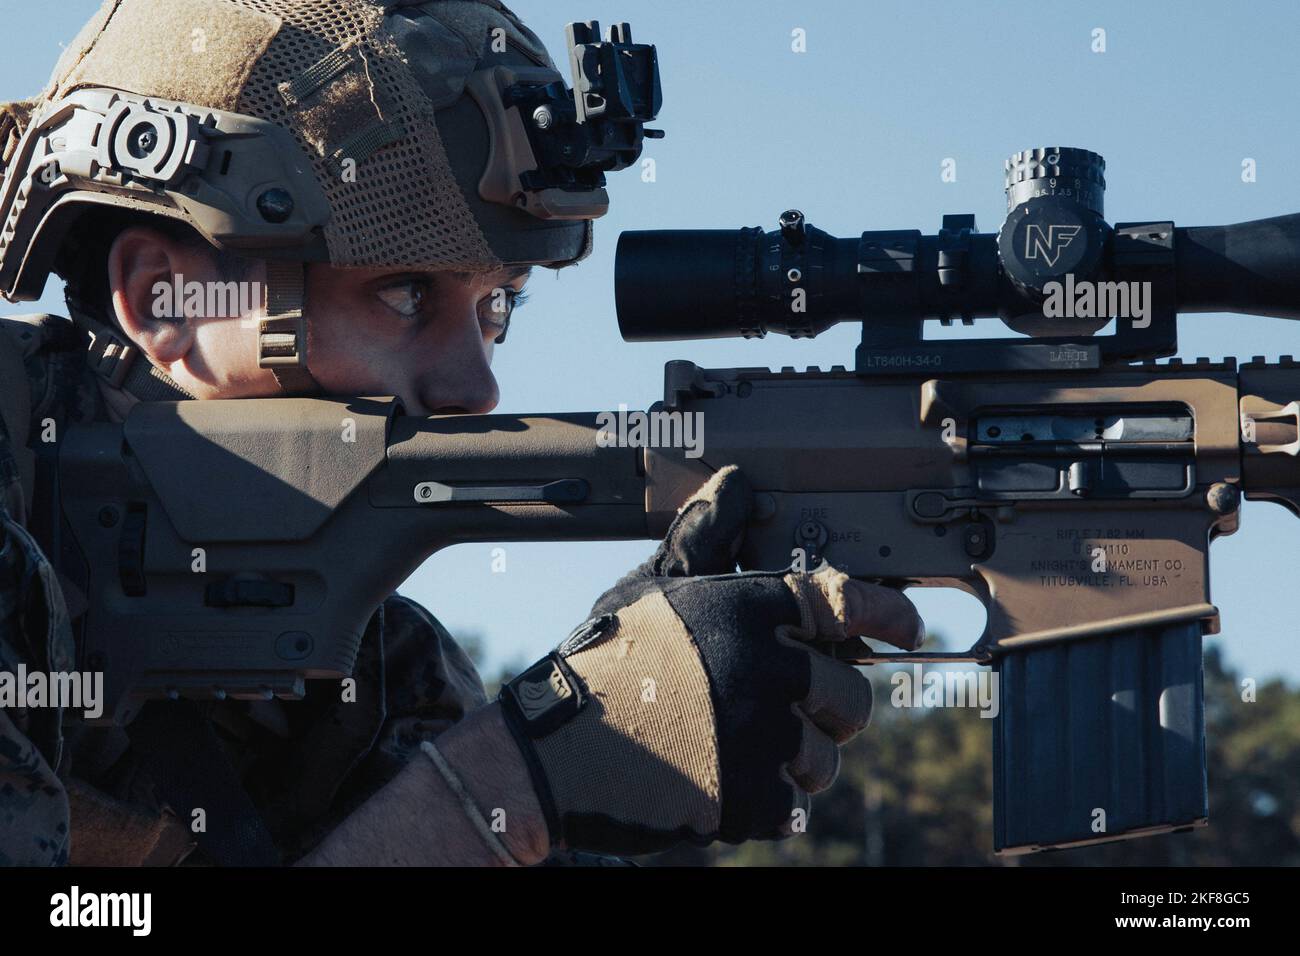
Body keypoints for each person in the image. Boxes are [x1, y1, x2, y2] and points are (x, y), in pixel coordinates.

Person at [0, 0, 924, 866]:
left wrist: (630, 738)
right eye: (405, 293)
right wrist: (512, 784)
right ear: (166, 300)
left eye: (497, 307)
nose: (477, 386)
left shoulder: (376, 671)